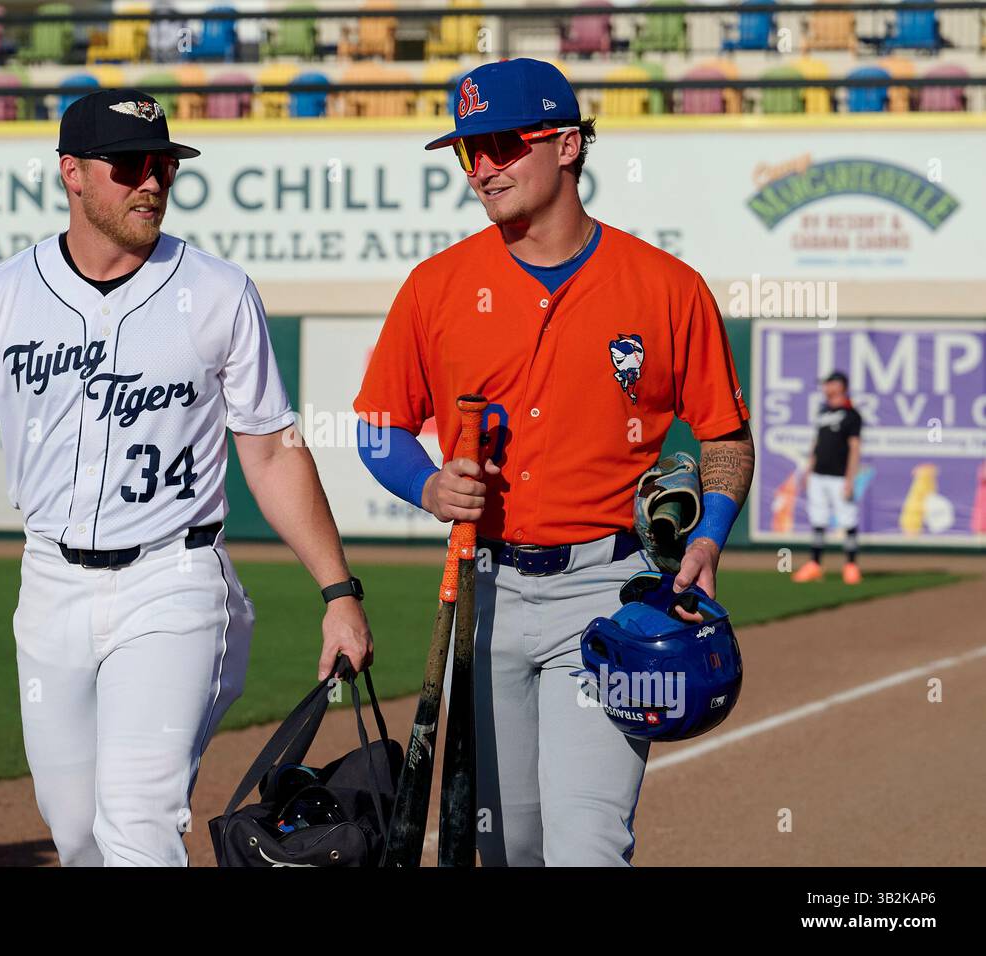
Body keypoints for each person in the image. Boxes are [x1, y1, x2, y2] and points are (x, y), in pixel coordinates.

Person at [0, 89, 372, 867]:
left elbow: (270, 449)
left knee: (136, 818)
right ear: (71, 173)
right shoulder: (3, 299)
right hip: (50, 586)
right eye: (129, 165)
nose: (152, 183)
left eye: (163, 165)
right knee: (79, 833)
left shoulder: (218, 291)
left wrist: (339, 593)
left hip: (175, 579)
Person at [353, 59, 755, 866]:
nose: (481, 168)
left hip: (608, 593)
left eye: (501, 144)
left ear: (567, 145)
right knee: (509, 847)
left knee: (587, 842)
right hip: (485, 589)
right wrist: (428, 483)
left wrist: (708, 535)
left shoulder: (666, 286)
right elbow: (374, 427)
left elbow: (724, 436)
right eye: (467, 151)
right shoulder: (436, 287)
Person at [792, 371, 863, 584]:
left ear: (840, 386)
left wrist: (851, 478)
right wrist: (807, 471)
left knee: (848, 519)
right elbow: (817, 444)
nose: (825, 388)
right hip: (818, 475)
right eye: (825, 384)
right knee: (818, 519)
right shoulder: (823, 411)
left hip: (840, 476)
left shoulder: (851, 414)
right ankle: (815, 564)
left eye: (829, 384)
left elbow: (855, 447)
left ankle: (851, 565)